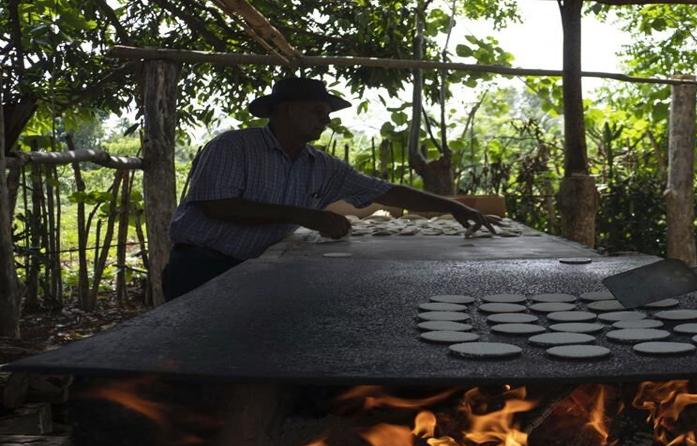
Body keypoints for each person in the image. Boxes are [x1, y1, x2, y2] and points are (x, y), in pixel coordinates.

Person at [162, 76, 499, 299]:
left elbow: (386, 191)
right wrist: (311, 217)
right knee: (195, 363)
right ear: (286, 110)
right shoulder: (234, 147)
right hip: (202, 267)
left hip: (254, 268)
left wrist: (453, 206)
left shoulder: (320, 165)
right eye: (318, 111)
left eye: (327, 113)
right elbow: (219, 207)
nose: (326, 120)